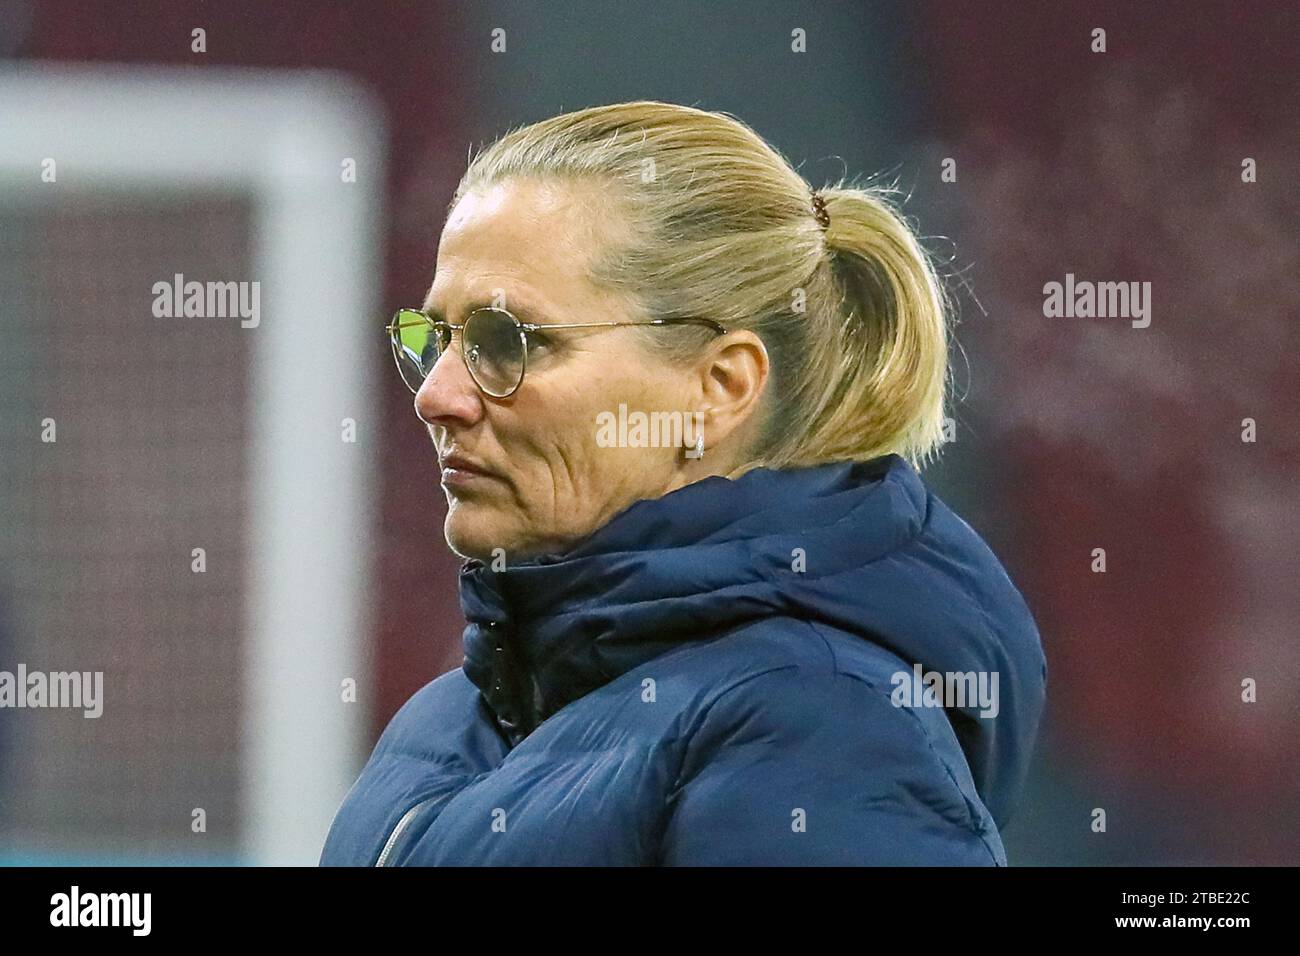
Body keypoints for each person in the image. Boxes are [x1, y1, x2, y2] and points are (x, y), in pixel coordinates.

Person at [321, 101, 1046, 866]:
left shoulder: (822, 723)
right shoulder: (451, 717)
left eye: (506, 340)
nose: (436, 395)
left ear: (719, 387)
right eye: (435, 338)